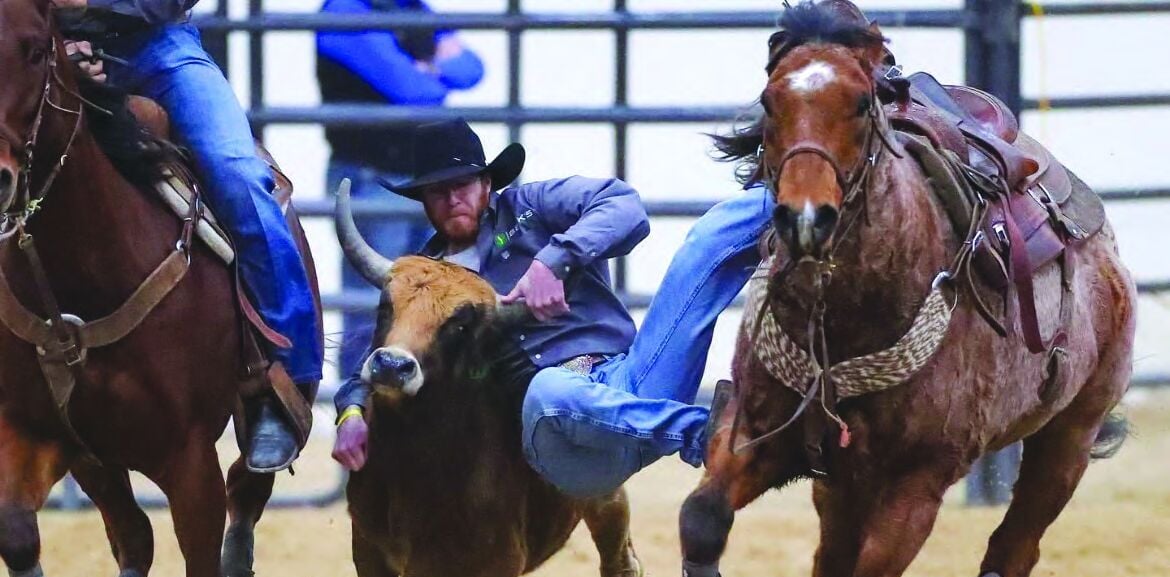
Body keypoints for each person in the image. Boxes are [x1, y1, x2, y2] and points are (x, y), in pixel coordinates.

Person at [332, 118, 774, 498]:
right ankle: (710, 434)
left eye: (461, 184)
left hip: (630, 379)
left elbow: (624, 207)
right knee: (548, 389)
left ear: (487, 184)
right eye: (437, 191)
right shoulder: (424, 281)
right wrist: (351, 413)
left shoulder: (532, 208)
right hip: (558, 441)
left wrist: (555, 259)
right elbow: (382, 359)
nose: (452, 200)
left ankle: (817, 189)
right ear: (423, 201)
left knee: (711, 236)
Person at [55, 0, 323, 473]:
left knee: (239, 178)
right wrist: (52, 32)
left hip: (156, 48)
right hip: (45, 51)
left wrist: (92, 7)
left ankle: (282, 384)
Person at [317, 0, 484, 376]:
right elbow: (414, 90)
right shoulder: (344, 10)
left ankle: (417, 415)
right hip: (371, 178)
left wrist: (422, 65)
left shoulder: (410, 7)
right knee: (375, 302)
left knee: (436, 294)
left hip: (423, 182)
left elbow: (472, 70)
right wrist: (431, 59)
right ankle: (357, 410)